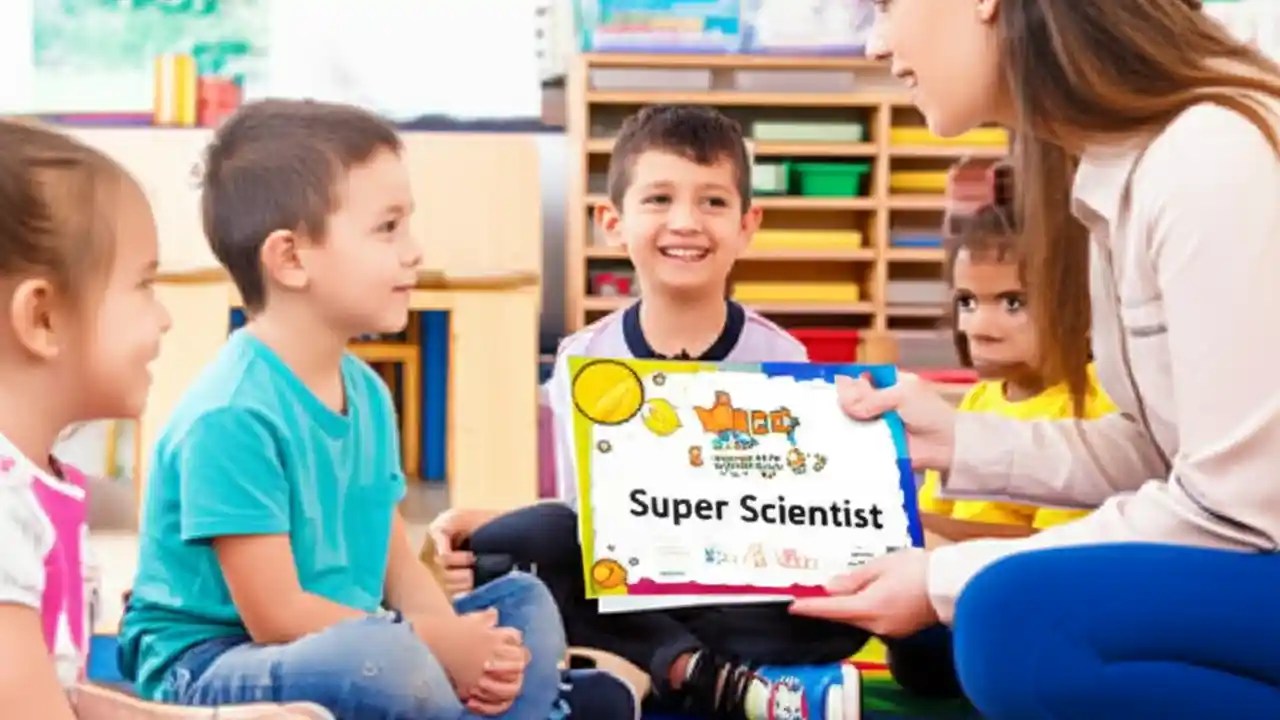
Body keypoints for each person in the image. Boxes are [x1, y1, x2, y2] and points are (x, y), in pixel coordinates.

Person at [789, 1, 1280, 718]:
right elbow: (1165, 452)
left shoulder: (1208, 157)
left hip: (1256, 544)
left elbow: (1238, 507)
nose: (875, 44)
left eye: (887, 6)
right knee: (969, 625)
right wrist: (960, 438)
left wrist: (945, 578)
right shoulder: (1117, 168)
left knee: (1011, 621)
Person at [116, 99, 632, 720]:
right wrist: (435, 646)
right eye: (387, 228)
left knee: (524, 606)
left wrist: (454, 642)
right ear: (290, 259)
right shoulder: (232, 413)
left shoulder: (365, 392)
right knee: (387, 662)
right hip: (214, 664)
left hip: (358, 638)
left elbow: (396, 564)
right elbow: (275, 614)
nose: (413, 251)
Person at [427, 105, 948, 719]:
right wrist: (477, 522)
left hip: (744, 596)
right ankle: (711, 676)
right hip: (636, 593)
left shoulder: (782, 358)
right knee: (515, 545)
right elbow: (586, 522)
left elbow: (799, 520)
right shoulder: (583, 358)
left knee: (873, 616)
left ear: (748, 226)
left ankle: (667, 668)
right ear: (612, 223)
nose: (685, 223)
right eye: (659, 199)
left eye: (713, 203)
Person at [917, 159, 1118, 544]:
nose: (977, 328)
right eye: (968, 302)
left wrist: (913, 531)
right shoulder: (978, 400)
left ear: (1086, 304)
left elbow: (1050, 544)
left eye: (1013, 303)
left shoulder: (1096, 405)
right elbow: (934, 510)